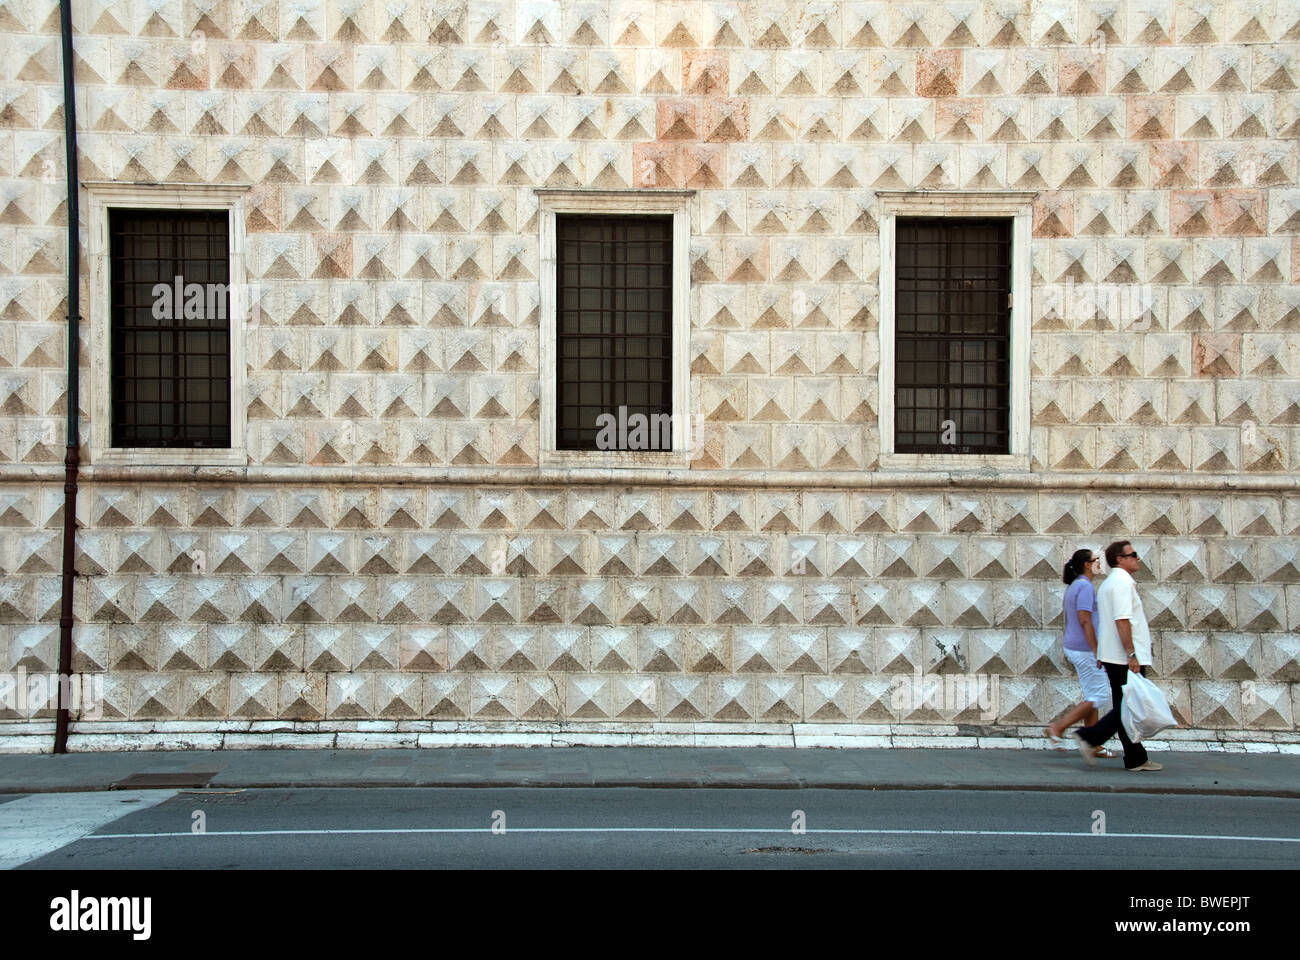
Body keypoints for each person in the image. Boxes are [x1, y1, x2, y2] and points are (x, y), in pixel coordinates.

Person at [1074, 540, 1163, 772]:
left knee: (1127, 706)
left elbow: (1107, 623)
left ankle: (1135, 758)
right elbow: (1121, 621)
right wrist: (1131, 654)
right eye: (1132, 554)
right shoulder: (1122, 583)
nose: (1137, 557)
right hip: (1125, 658)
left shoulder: (1109, 584)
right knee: (1128, 707)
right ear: (1119, 559)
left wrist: (1105, 652)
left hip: (1115, 656)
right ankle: (1090, 737)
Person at [1044, 548, 1114, 756]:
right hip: (1085, 649)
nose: (1100, 563)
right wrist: (1096, 651)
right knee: (1101, 695)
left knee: (1093, 694)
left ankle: (1093, 743)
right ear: (1087, 564)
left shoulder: (1075, 586)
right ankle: (1059, 727)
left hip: (1077, 646)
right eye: (1096, 560)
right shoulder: (1085, 587)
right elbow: (1085, 620)